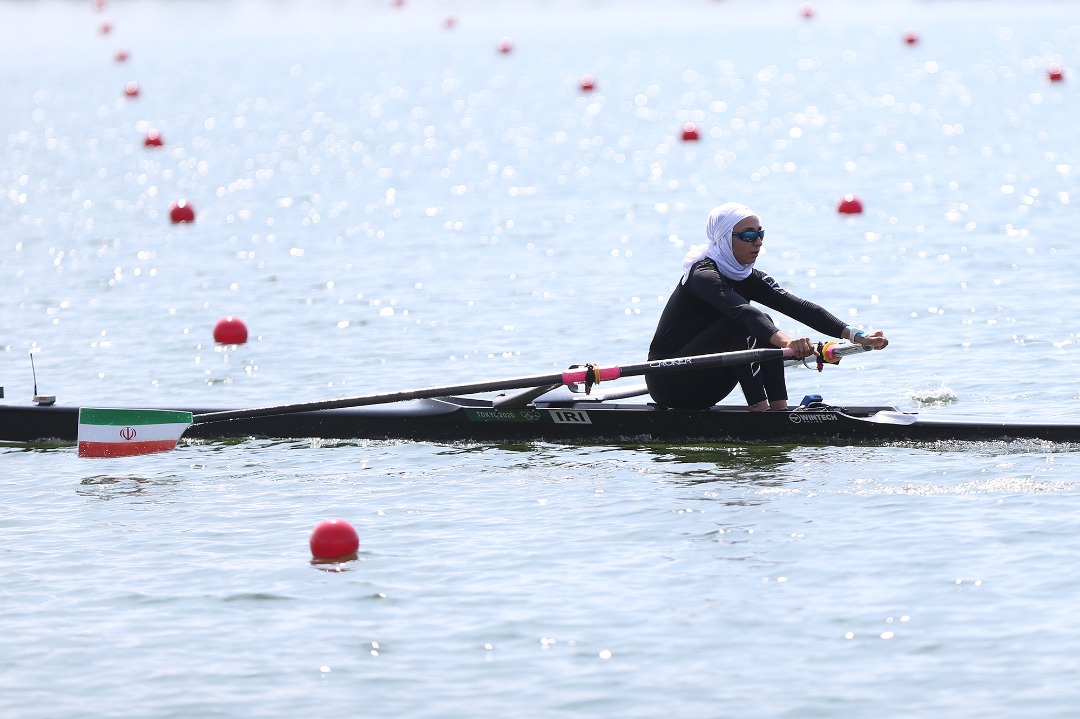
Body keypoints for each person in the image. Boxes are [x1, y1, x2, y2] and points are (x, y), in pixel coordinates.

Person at [646, 202, 888, 411]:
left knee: (764, 325)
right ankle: (761, 413)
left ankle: (778, 410)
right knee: (748, 323)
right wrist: (787, 342)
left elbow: (802, 308)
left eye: (761, 234)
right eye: (748, 236)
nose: (758, 242)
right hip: (669, 380)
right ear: (723, 238)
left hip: (711, 383)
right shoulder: (703, 275)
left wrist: (858, 336)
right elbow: (744, 313)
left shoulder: (750, 278)